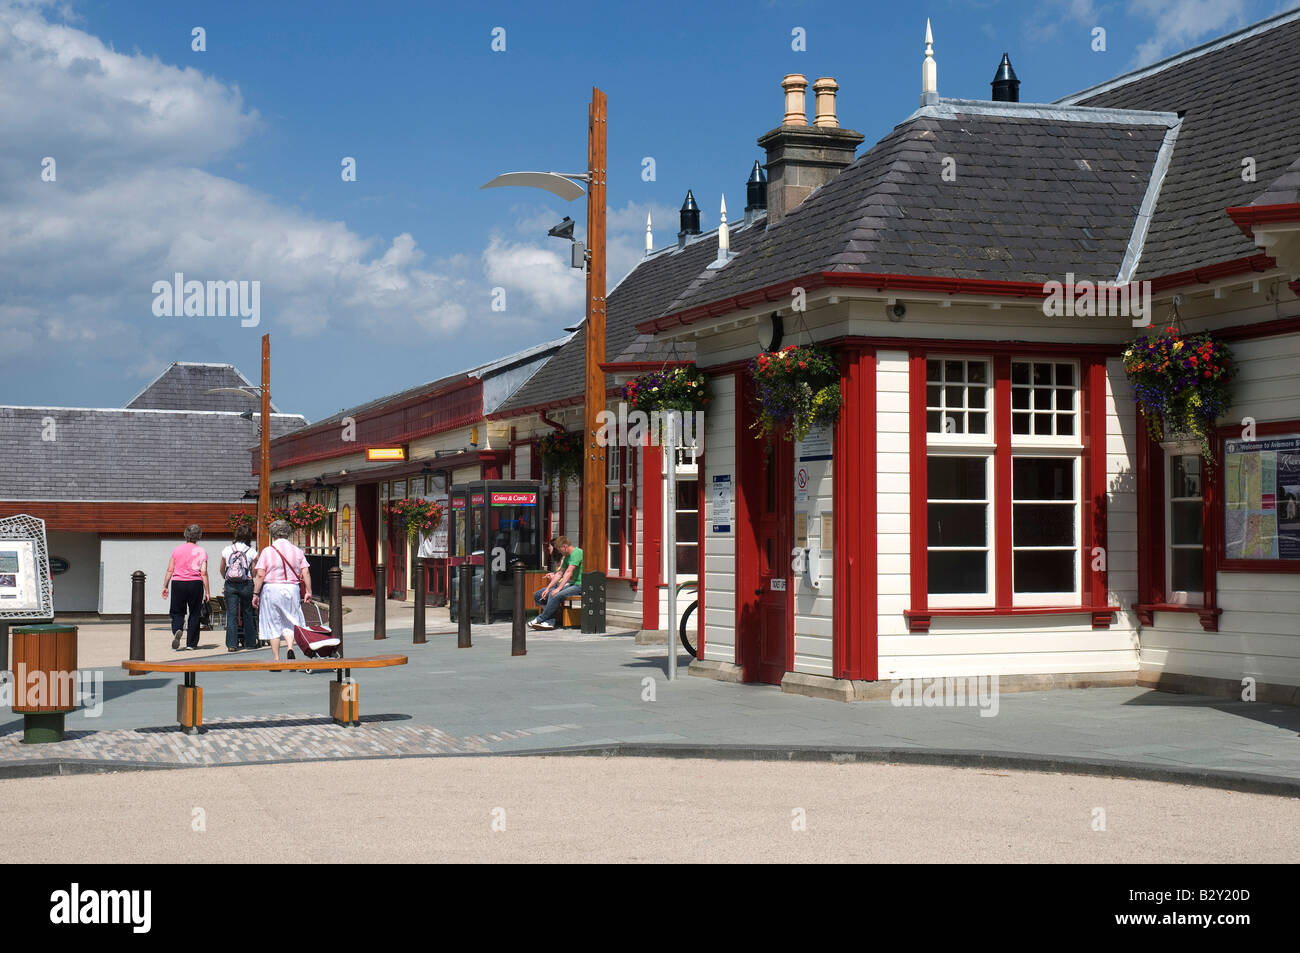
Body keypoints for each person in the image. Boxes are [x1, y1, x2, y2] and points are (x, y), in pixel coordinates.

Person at [251, 519, 313, 664]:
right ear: (288, 533)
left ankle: (277, 658)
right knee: (290, 620)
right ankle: (290, 647)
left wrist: (255, 593)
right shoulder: (297, 551)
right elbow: (306, 572)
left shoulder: (267, 551)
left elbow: (260, 574)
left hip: (271, 589)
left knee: (273, 623)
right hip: (291, 589)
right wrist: (308, 591)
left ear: (273, 534)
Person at [161, 524, 210, 651]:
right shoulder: (202, 551)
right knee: (194, 613)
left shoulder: (177, 550)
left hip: (178, 582)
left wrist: (165, 586)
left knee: (177, 611)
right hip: (195, 583)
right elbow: (203, 572)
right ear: (198, 536)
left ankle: (177, 629)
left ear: (185, 535)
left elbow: (170, 570)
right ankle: (191, 643)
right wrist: (207, 591)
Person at [219, 525, 260, 653]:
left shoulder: (227, 549)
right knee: (247, 612)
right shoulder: (252, 552)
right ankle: (250, 643)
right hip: (246, 584)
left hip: (230, 584)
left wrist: (226, 578)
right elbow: (254, 572)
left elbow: (221, 568)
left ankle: (232, 644)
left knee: (231, 614)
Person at [529, 535, 582, 630]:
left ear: (565, 546)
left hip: (581, 585)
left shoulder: (577, 553)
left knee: (555, 595)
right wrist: (548, 588)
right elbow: (560, 573)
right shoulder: (567, 557)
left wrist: (558, 589)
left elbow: (569, 572)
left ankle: (540, 619)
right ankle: (549, 621)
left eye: (559, 549)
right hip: (574, 585)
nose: (559, 552)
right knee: (541, 594)